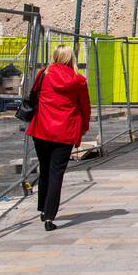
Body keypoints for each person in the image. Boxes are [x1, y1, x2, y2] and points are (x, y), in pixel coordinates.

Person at [25, 44, 91, 232]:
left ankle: (43, 209)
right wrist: (83, 127)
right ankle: (49, 216)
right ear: (71, 59)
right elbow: (85, 107)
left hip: (41, 129)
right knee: (56, 173)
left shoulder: (43, 74)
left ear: (54, 56)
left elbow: (33, 95)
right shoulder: (78, 80)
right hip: (65, 132)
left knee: (44, 169)